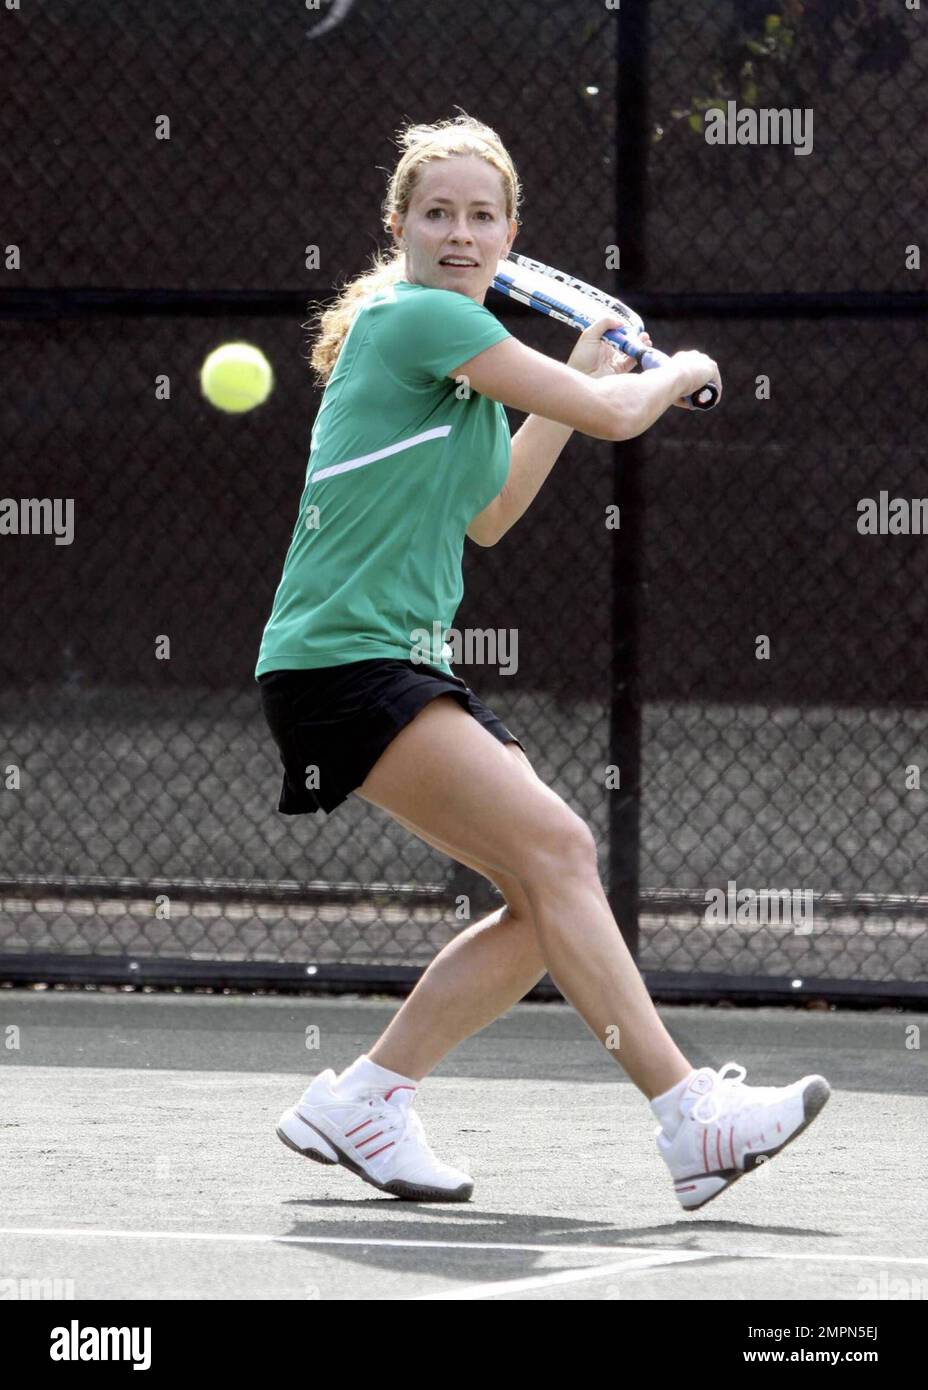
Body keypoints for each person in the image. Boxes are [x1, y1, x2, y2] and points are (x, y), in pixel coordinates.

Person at [258, 114, 829, 1212]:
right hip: (344, 662)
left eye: (482, 215)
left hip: (378, 663)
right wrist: (679, 372)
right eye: (438, 214)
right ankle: (688, 1117)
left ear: (511, 233)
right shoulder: (417, 319)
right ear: (400, 229)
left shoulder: (458, 363)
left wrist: (584, 373)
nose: (460, 233)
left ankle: (365, 1100)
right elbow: (619, 414)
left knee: (539, 901)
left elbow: (491, 514)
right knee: (564, 848)